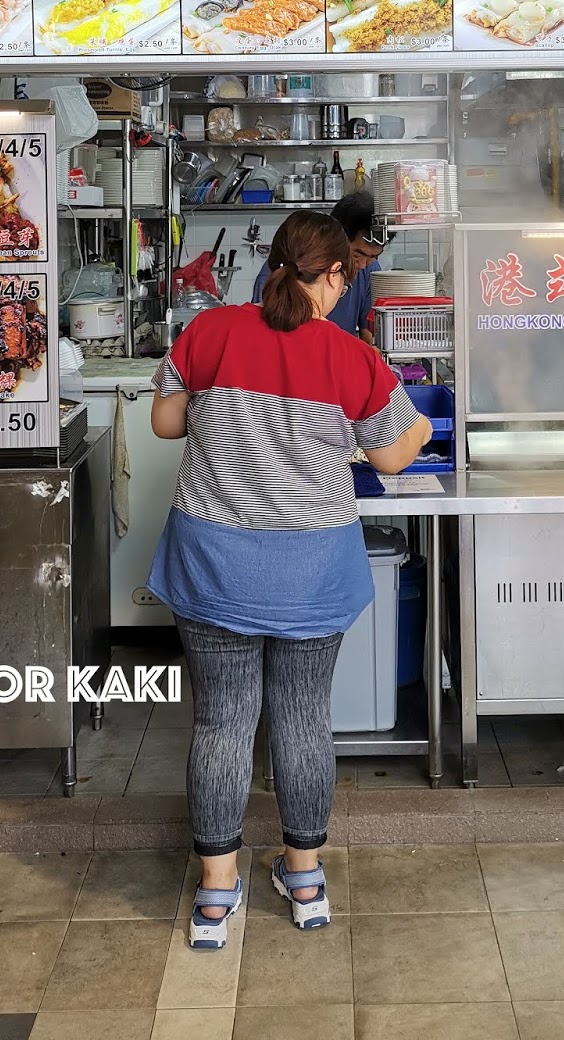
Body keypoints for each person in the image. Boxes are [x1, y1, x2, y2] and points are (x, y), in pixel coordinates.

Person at [148, 212, 432, 950]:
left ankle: (217, 892)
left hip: (215, 565)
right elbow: (393, 455)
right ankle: (304, 880)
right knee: (304, 719)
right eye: (344, 277)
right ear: (332, 275)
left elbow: (166, 423)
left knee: (221, 722)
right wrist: (419, 428)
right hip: (311, 569)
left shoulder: (209, 332)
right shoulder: (349, 354)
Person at [251, 190, 383, 342]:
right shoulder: (280, 270)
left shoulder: (371, 270)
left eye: (374, 257)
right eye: (357, 255)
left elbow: (369, 332)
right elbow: (263, 334)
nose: (364, 265)